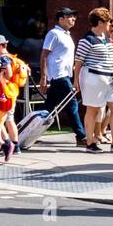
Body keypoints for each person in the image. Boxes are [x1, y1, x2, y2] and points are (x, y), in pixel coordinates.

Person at [74, 7, 113, 153]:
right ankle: (90, 143)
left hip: (109, 78)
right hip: (93, 77)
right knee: (92, 109)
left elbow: (111, 59)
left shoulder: (106, 39)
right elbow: (78, 61)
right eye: (107, 21)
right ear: (100, 22)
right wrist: (76, 81)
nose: (110, 24)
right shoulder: (86, 40)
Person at [40, 7, 87, 145]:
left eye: (74, 17)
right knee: (71, 104)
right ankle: (81, 135)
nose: (73, 19)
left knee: (48, 107)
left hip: (64, 74)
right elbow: (44, 55)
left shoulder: (66, 34)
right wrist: (43, 77)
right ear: (61, 19)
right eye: (70, 16)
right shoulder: (53, 34)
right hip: (59, 75)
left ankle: (29, 129)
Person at [0, 34, 25, 154]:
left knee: (6, 120)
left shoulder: (3, 58)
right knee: (7, 119)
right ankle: (11, 146)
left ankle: (11, 145)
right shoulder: (11, 57)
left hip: (5, 93)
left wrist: (1, 79)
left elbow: (8, 73)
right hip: (12, 91)